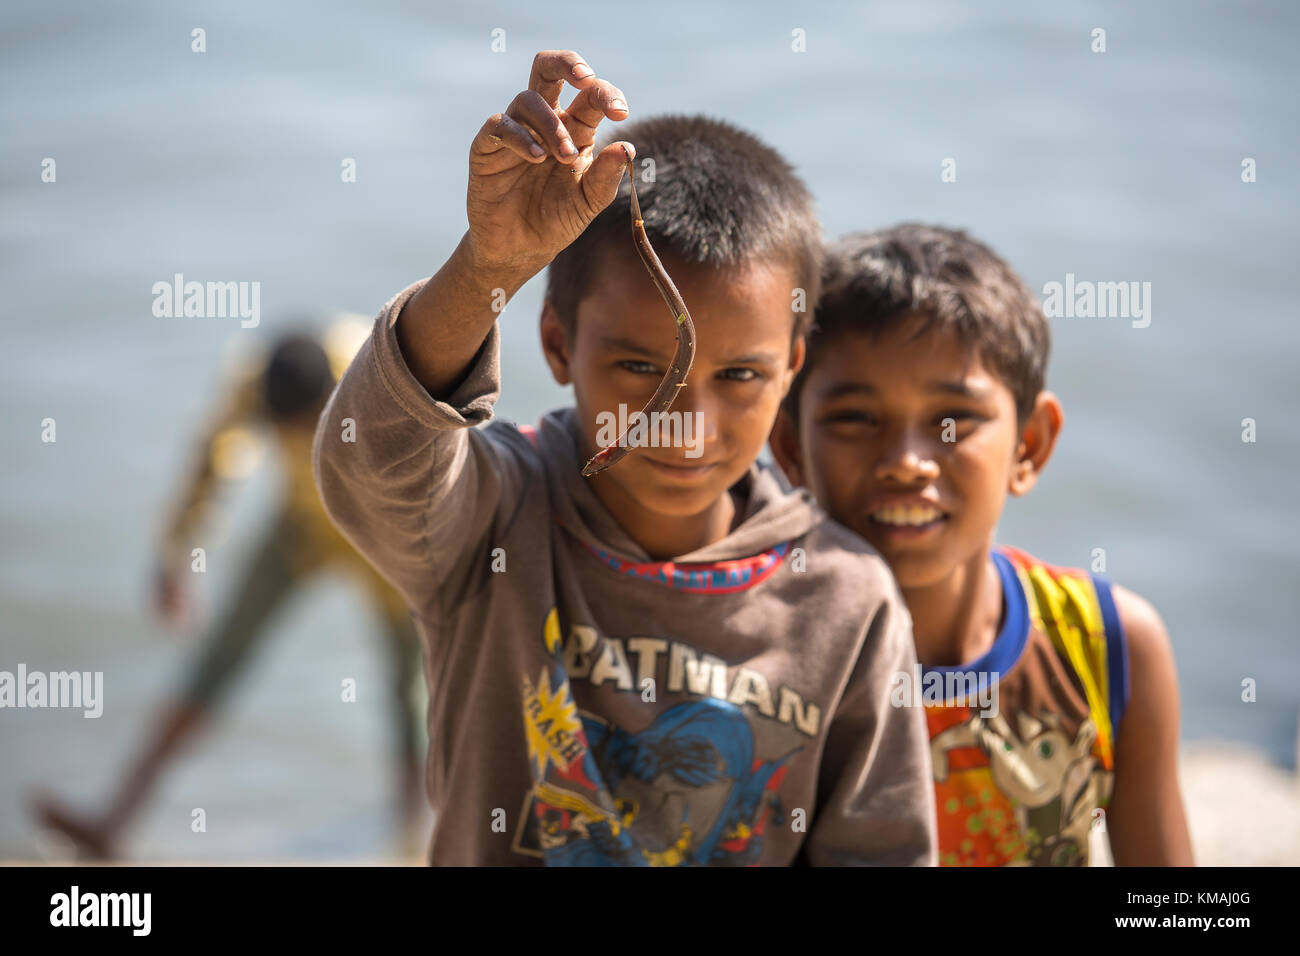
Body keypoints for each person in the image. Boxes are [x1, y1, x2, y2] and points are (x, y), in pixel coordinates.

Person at [313, 49, 936, 865]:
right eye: (642, 367)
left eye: (740, 374)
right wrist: (488, 270)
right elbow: (375, 458)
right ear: (557, 344)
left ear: (793, 365)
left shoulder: (847, 602)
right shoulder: (497, 518)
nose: (686, 420)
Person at [770, 224, 1195, 865]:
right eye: (855, 418)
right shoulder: (760, 654)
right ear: (791, 449)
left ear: (1030, 446)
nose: (908, 462)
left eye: (953, 421)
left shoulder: (1109, 645)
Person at [31, 319, 425, 859]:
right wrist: (176, 554)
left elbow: (438, 460)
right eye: (285, 432)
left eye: (305, 427)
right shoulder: (253, 378)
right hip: (303, 527)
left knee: (407, 694)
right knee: (217, 661)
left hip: (382, 535)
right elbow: (214, 456)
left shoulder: (375, 371)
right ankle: (114, 821)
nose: (297, 441)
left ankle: (415, 841)